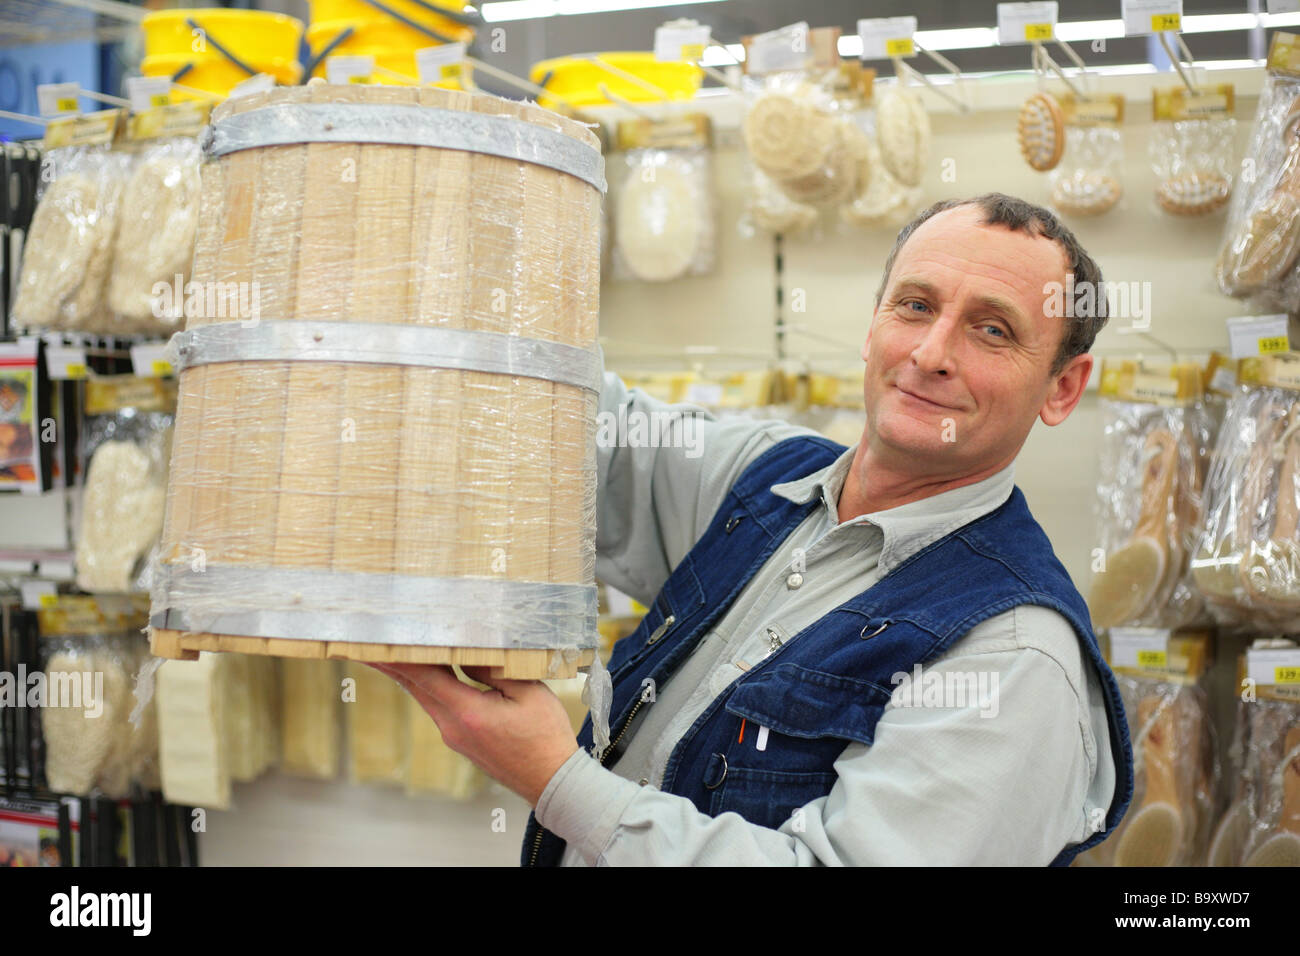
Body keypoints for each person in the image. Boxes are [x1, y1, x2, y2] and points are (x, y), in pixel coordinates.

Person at [372, 193, 1135, 866]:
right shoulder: (766, 476)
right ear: (872, 328)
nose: (932, 354)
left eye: (992, 330)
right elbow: (575, 434)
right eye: (914, 306)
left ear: (1062, 388)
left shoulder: (1015, 655)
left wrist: (555, 779)